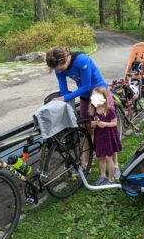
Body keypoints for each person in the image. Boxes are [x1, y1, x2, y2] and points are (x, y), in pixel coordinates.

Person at [46, 47, 121, 178]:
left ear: (65, 59)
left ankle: (115, 165)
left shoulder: (81, 60)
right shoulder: (59, 69)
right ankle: (84, 164)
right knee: (85, 128)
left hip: (99, 93)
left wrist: (64, 98)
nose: (59, 71)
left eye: (60, 67)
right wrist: (62, 102)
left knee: (108, 129)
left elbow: (86, 86)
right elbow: (64, 92)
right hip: (85, 96)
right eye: (56, 69)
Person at [89, 87, 122, 185]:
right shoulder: (94, 111)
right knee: (101, 157)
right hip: (99, 137)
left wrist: (105, 124)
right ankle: (102, 175)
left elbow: (115, 123)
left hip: (108, 137)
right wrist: (93, 124)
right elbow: (91, 123)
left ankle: (111, 178)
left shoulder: (109, 110)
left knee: (108, 158)